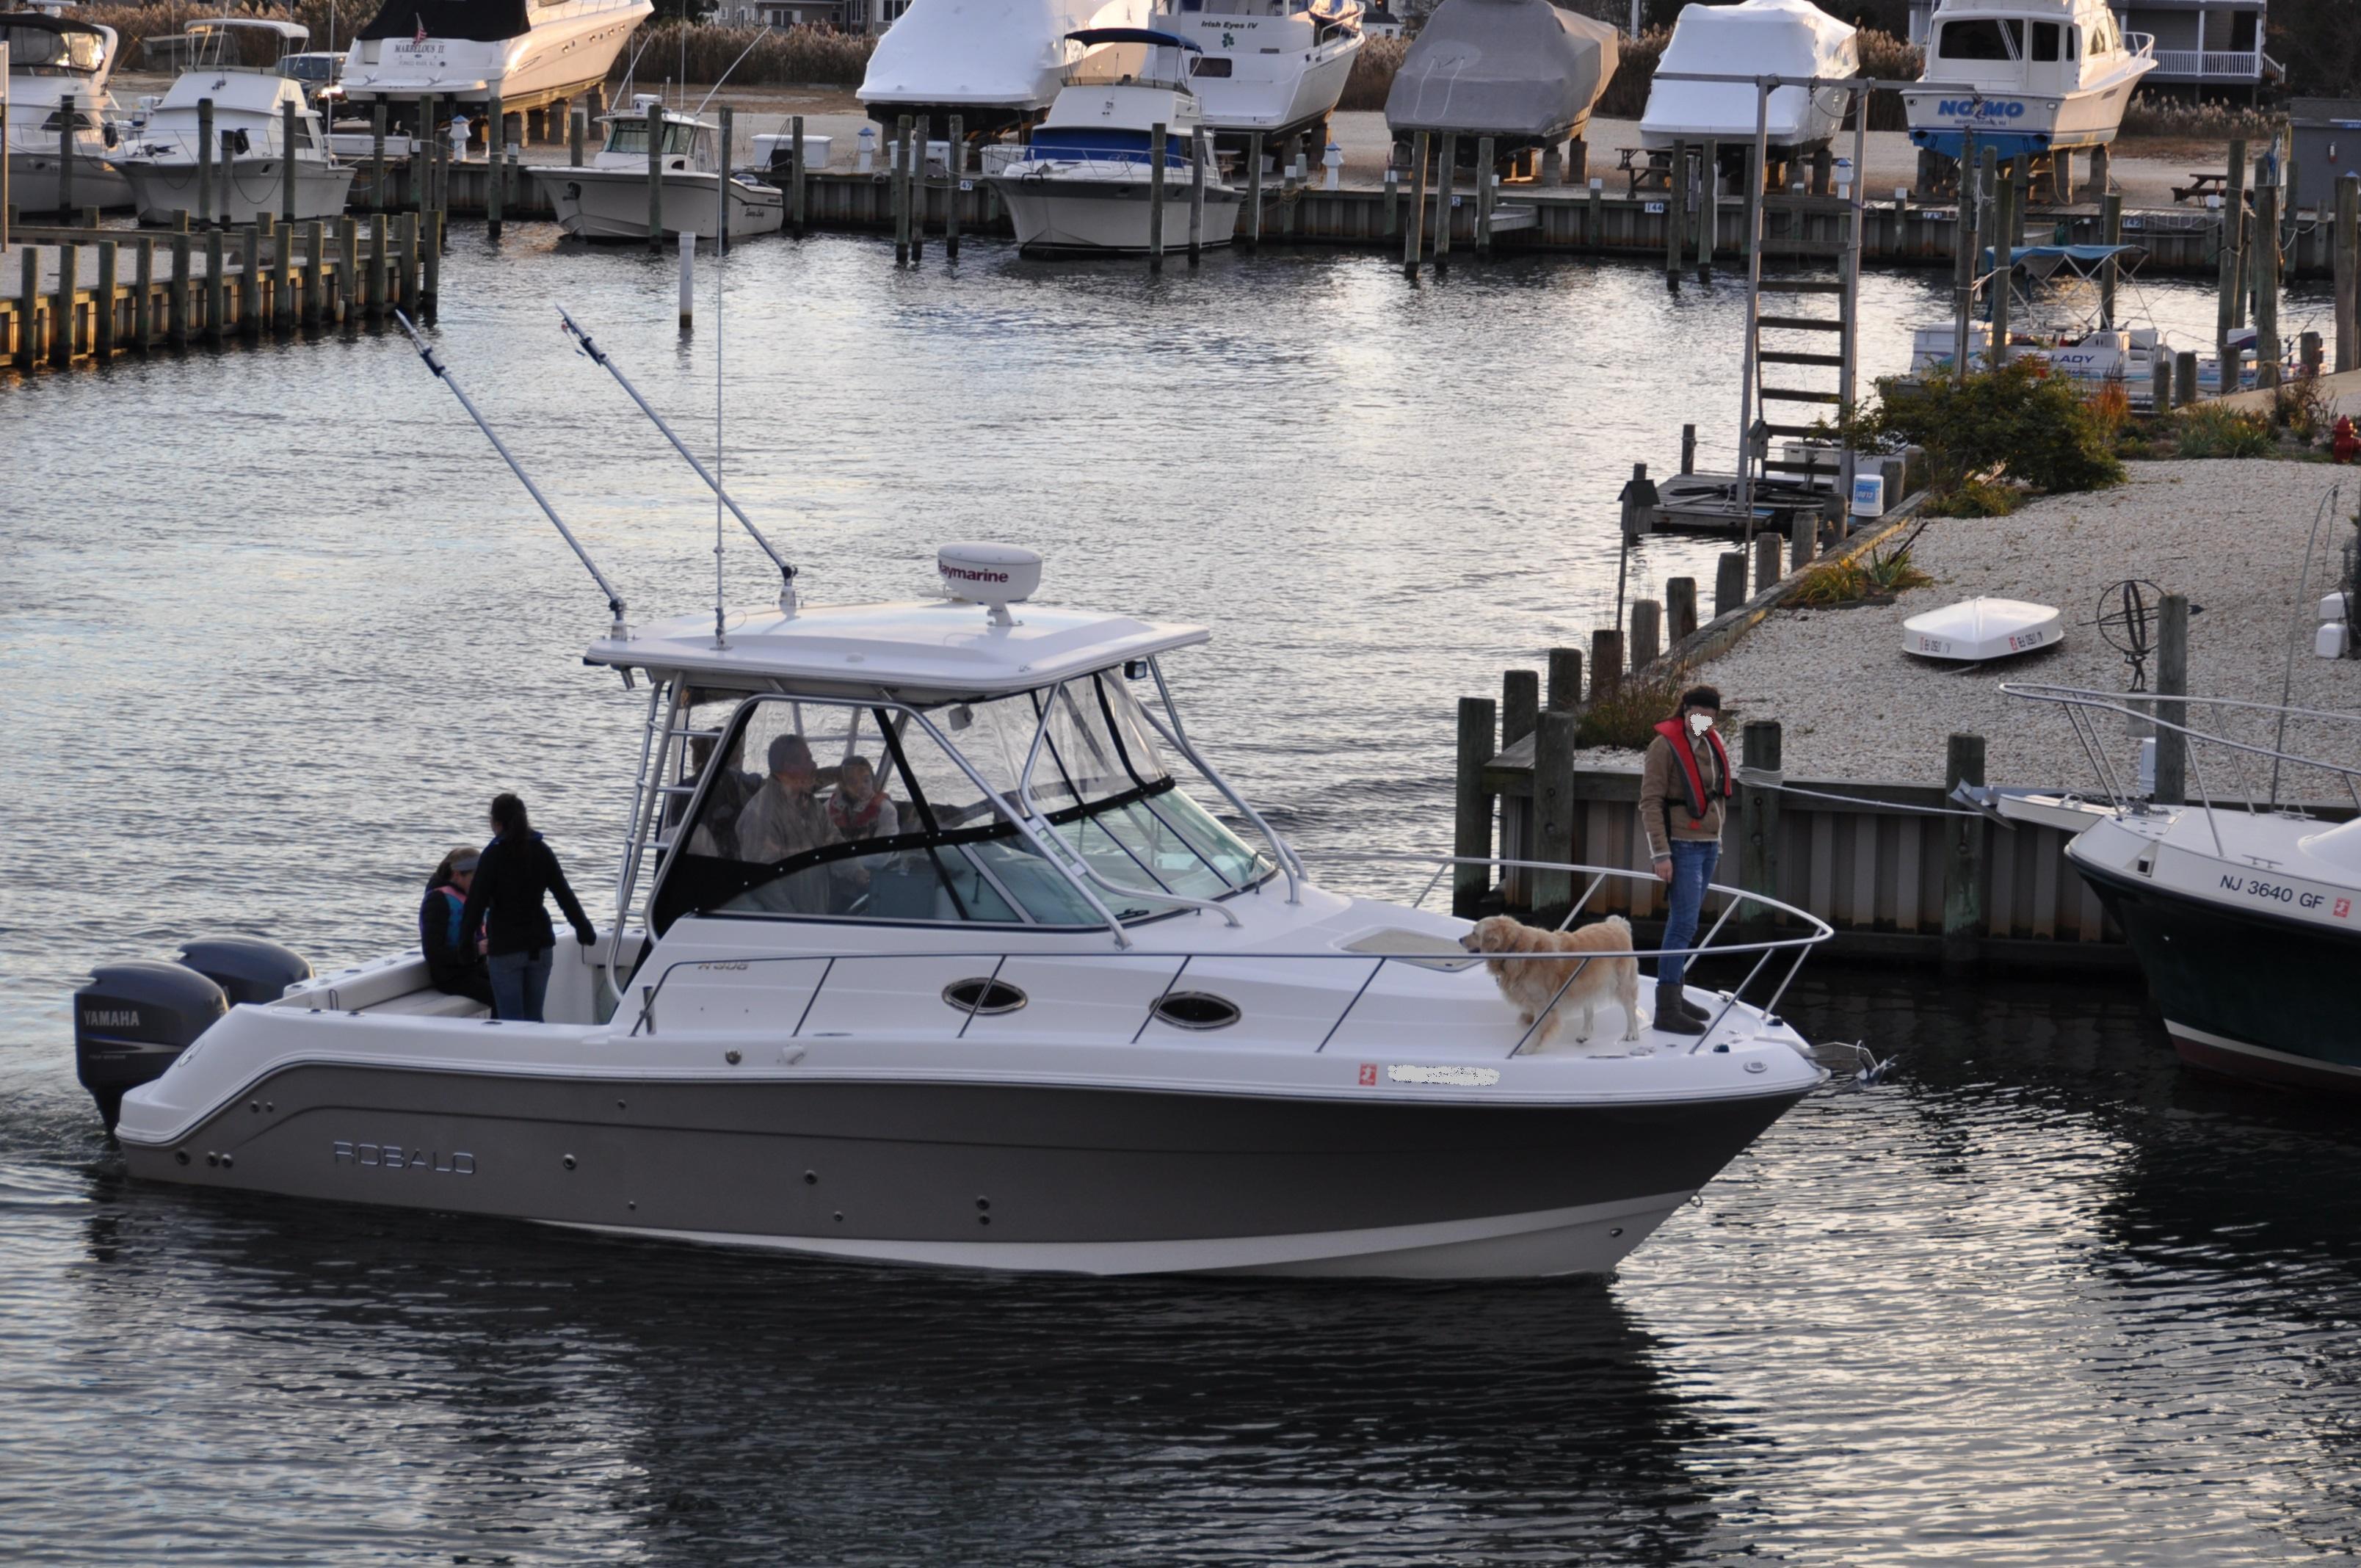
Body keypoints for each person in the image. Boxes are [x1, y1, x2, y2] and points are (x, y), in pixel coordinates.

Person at [1638, 685, 1733, 1037]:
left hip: (1708, 845)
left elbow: (1715, 796)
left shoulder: (1710, 742)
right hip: (1682, 846)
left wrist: (1717, 839)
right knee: (1682, 926)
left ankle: (1675, 993)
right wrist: (1661, 854)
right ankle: (1667, 1009)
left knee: (1687, 925)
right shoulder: (1663, 746)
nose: (1703, 720)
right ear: (1685, 710)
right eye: (1698, 713)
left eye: (1710, 715)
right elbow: (1650, 802)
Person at [458, 793, 597, 1024]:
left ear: (496, 823)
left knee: (511, 1023)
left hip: (506, 948)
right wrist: (584, 930)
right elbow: (565, 896)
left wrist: (465, 946)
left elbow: (475, 905)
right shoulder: (541, 850)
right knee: (534, 1020)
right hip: (540, 946)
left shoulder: (493, 855)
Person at [733, 734, 847, 914]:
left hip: (814, 916)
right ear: (789, 767)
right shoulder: (759, 815)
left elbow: (834, 843)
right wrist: (792, 919)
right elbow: (764, 882)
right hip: (787, 923)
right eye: (808, 759)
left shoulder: (811, 804)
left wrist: (860, 874)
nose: (814, 766)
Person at [418, 845, 494, 1009]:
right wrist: (476, 950)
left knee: (513, 987)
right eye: (475, 879)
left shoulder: (472, 894)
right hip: (451, 975)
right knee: (500, 996)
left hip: (474, 968)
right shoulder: (437, 901)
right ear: (457, 875)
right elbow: (433, 952)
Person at [826, 755, 900, 843]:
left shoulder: (886, 810)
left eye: (866, 780)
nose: (862, 786)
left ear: (872, 780)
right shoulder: (828, 807)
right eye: (853, 782)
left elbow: (884, 848)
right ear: (843, 785)